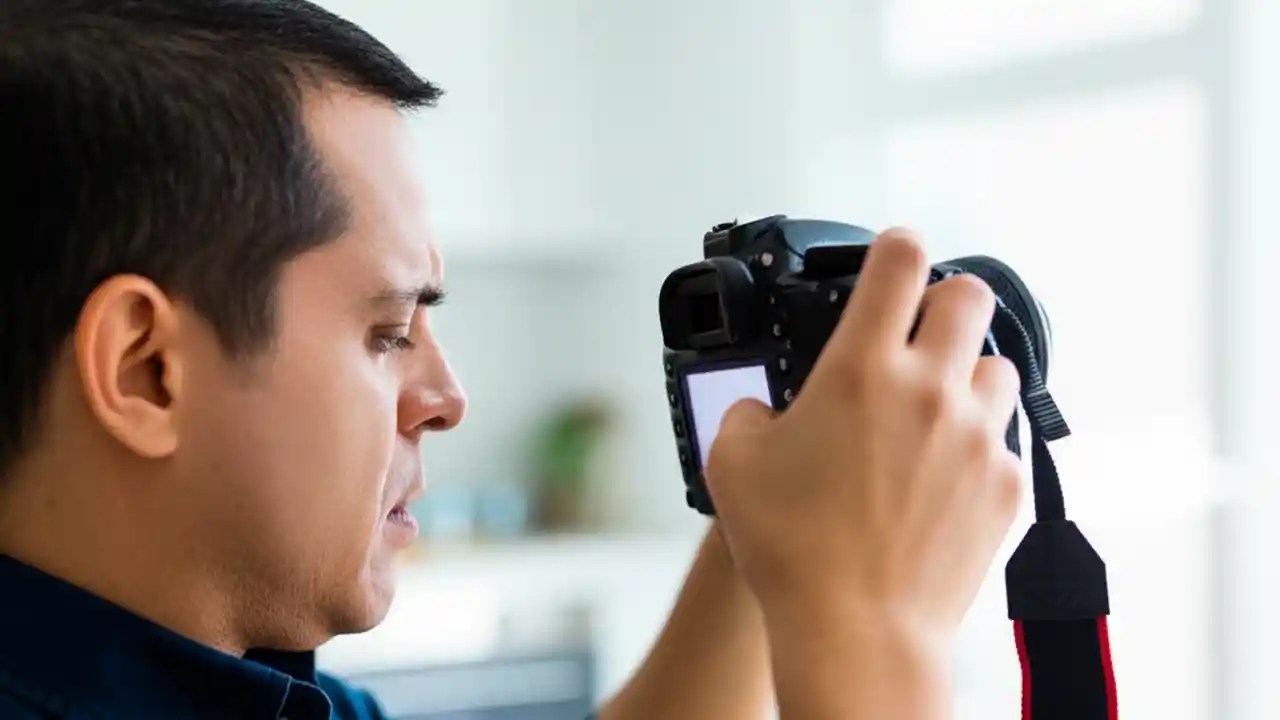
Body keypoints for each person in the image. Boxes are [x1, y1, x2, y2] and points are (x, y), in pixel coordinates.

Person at [0, 2, 1023, 719]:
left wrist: (778, 529)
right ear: (145, 371)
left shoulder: (226, 686)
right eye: (388, 332)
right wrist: (870, 631)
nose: (446, 398)